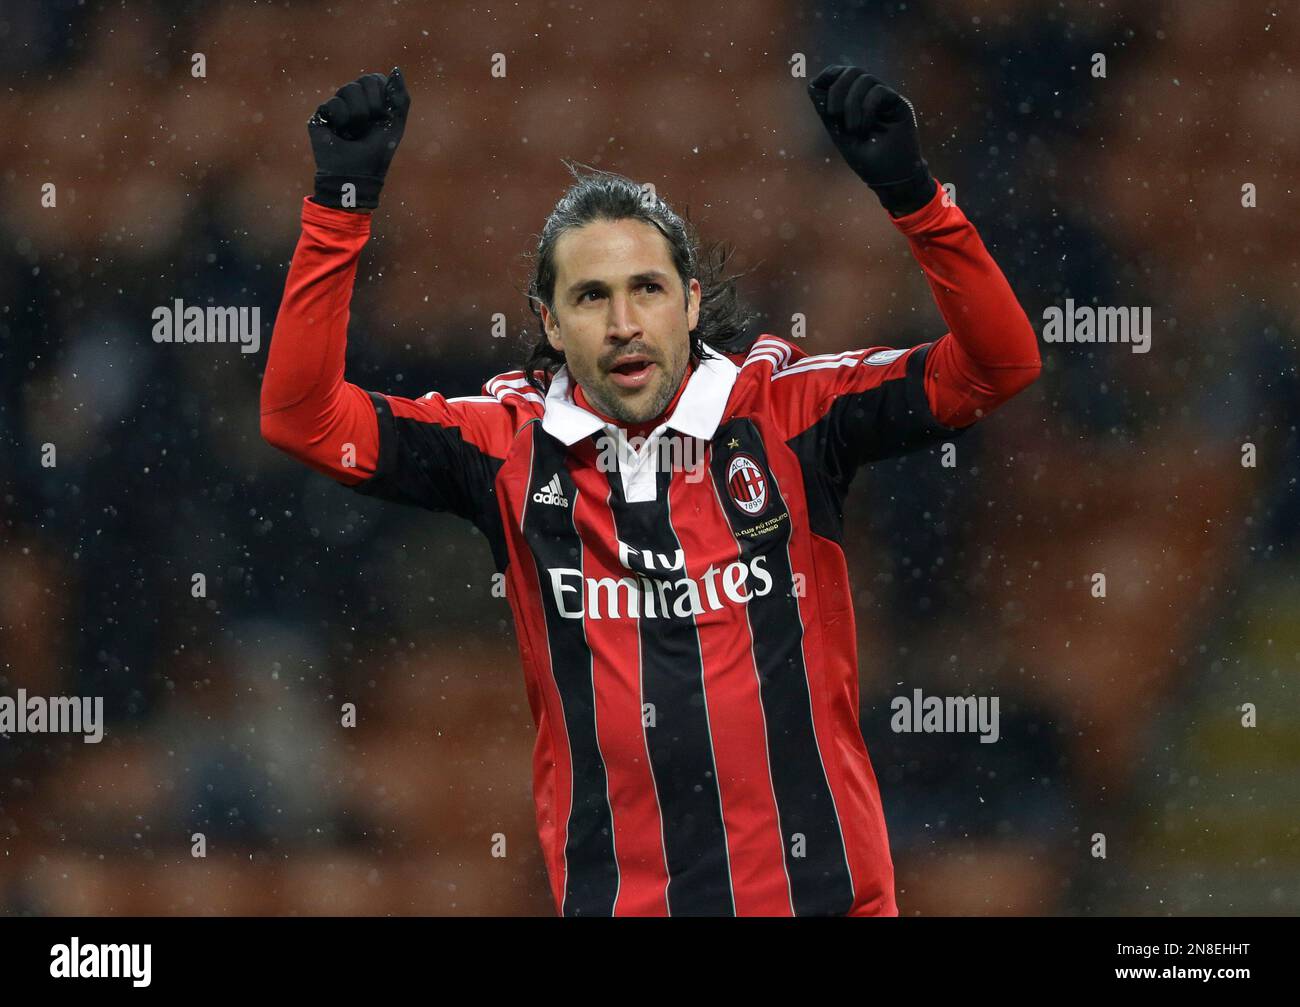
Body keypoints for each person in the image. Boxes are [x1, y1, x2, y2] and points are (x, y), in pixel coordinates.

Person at [260, 64, 1042, 916]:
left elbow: (1000, 364)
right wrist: (338, 210)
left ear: (692, 302)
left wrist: (915, 199)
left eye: (648, 289)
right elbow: (302, 416)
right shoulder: (506, 446)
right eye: (591, 296)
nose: (624, 321)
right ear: (551, 323)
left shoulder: (785, 412)